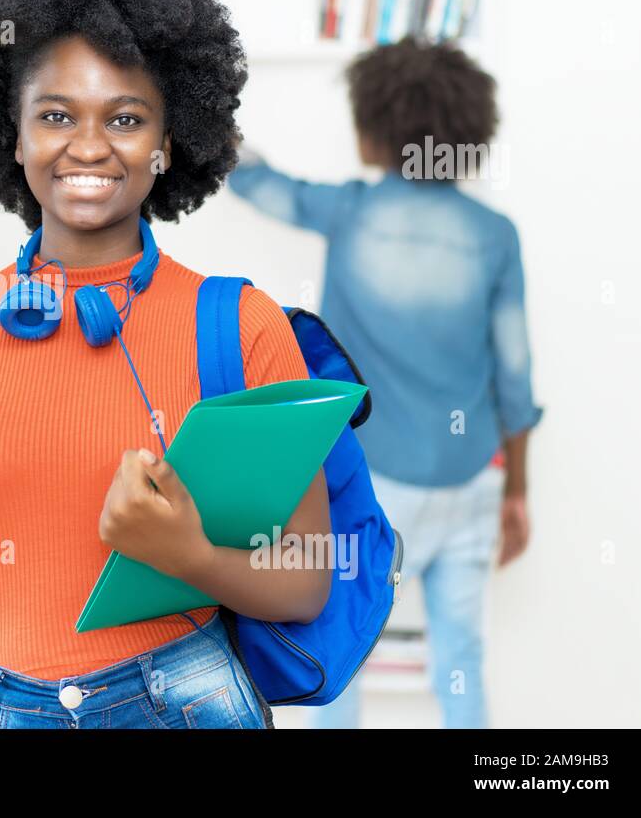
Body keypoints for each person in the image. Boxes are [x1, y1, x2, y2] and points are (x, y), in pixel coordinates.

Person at [0, 0, 331, 729]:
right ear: (15, 130)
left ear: (169, 143)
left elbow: (305, 578)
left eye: (127, 119)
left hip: (186, 702)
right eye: (58, 115)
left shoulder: (241, 325)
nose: (90, 147)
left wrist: (188, 557)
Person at [227, 38, 544, 728]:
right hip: (471, 482)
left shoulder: (348, 211)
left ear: (376, 125)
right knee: (461, 660)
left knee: (342, 655)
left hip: (377, 488)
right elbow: (515, 380)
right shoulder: (495, 234)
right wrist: (517, 490)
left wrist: (202, 108)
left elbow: (252, 178)